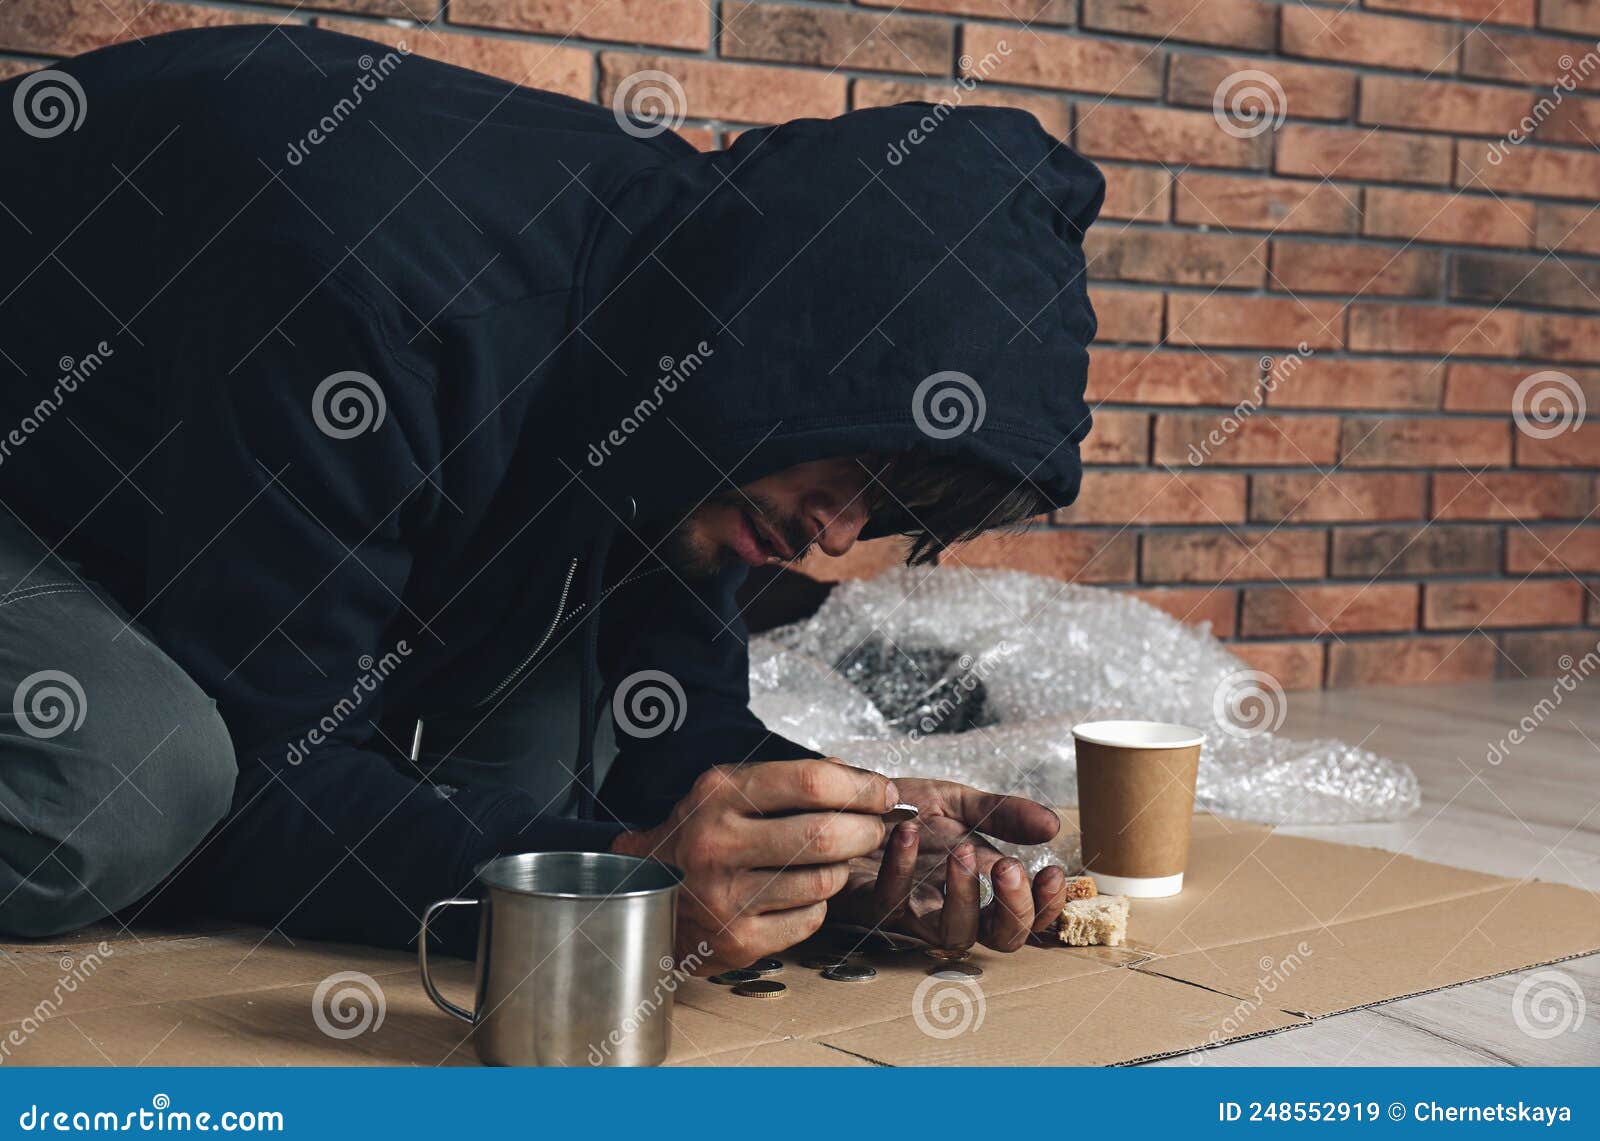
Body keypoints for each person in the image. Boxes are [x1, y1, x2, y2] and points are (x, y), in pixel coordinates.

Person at [0, 26, 1103, 966]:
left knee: (569, 765)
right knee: (127, 784)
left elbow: (680, 716)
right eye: (855, 468)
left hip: (151, 491)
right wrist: (625, 895)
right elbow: (267, 769)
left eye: (890, 507)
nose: (836, 533)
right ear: (793, 351)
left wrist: (856, 836)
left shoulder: (693, 334)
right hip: (42, 478)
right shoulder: (374, 294)